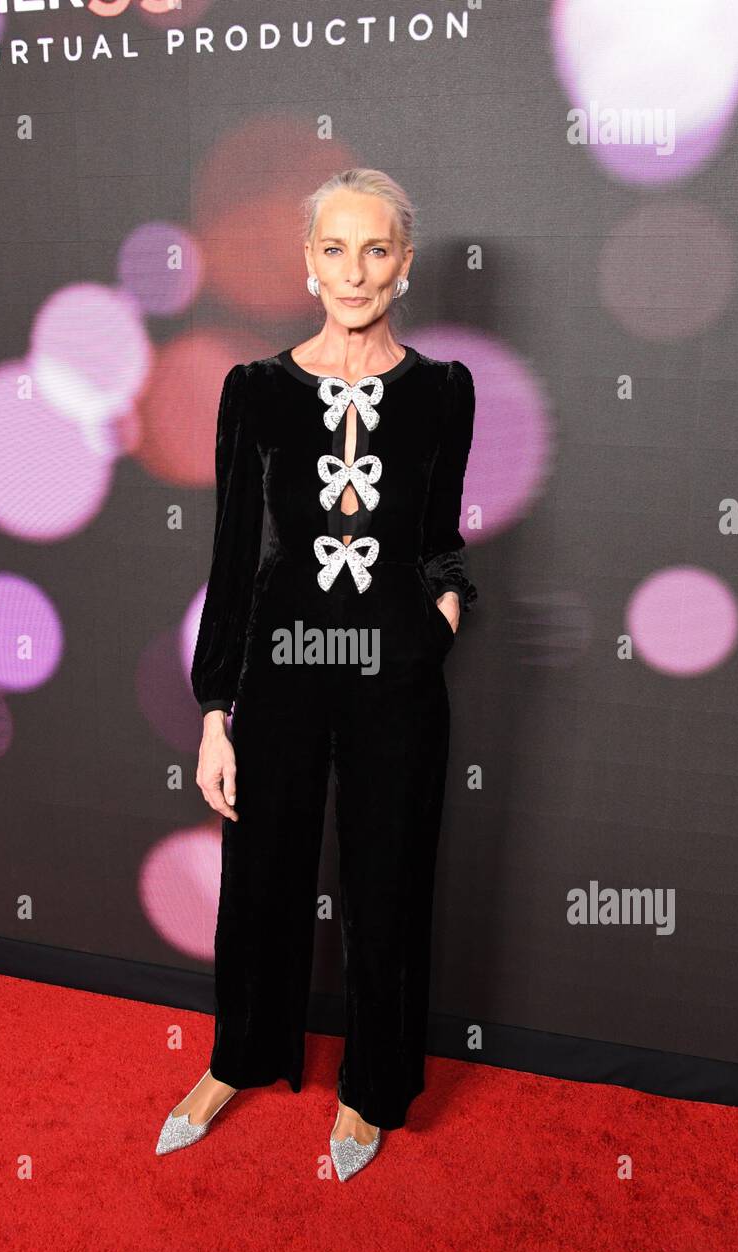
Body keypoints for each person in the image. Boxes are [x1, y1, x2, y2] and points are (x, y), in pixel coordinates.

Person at [156, 167, 476, 1180]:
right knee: (261, 876)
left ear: (404, 263)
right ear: (305, 264)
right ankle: (238, 1056)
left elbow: (439, 541)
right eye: (332, 249)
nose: (354, 271)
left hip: (395, 675)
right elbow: (229, 559)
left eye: (375, 249)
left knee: (387, 881)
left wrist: (439, 616)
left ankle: (373, 1087)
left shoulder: (442, 391)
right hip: (284, 668)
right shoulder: (253, 393)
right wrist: (215, 710)